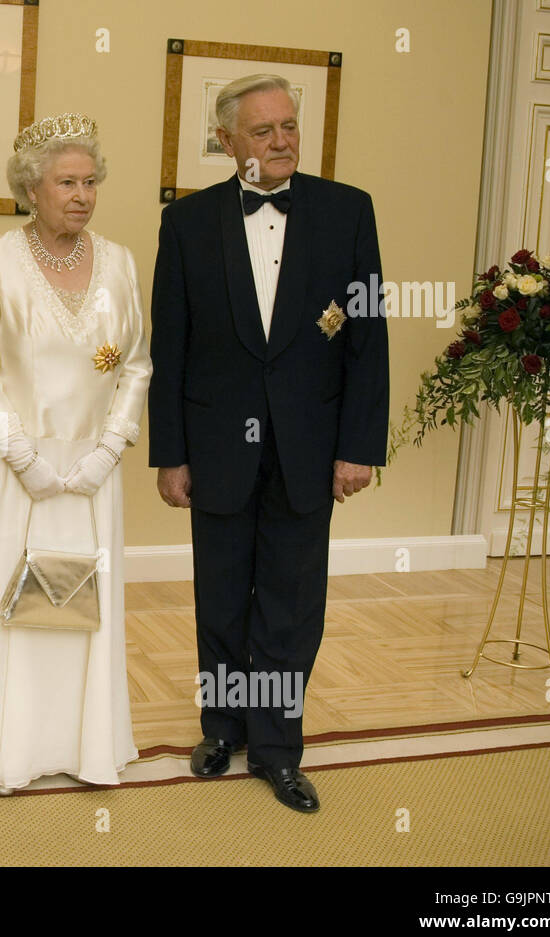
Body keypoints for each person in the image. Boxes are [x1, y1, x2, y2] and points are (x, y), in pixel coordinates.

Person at [148, 74, 389, 812]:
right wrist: (170, 453)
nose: (283, 141)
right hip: (215, 446)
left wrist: (359, 447)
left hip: (309, 449)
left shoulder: (349, 212)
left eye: (289, 126)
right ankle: (222, 727)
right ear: (227, 142)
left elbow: (368, 337)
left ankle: (279, 747)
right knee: (221, 598)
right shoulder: (187, 223)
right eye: (264, 131)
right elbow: (172, 345)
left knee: (288, 603)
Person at [0, 113, 152, 794]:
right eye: (66, 182)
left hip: (90, 471)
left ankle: (82, 747)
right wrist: (24, 458)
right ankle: (2, 750)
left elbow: (136, 364)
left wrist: (110, 448)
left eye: (89, 182)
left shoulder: (120, 262)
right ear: (31, 186)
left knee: (80, 613)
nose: (81, 195)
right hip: (13, 472)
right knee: (10, 609)